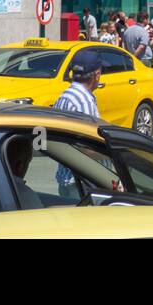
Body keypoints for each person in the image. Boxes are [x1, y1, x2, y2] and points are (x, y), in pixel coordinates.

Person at [53, 48, 102, 199]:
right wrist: (111, 154)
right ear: (96, 75)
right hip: (81, 183)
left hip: (67, 180)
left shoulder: (64, 97)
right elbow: (86, 146)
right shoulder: (83, 102)